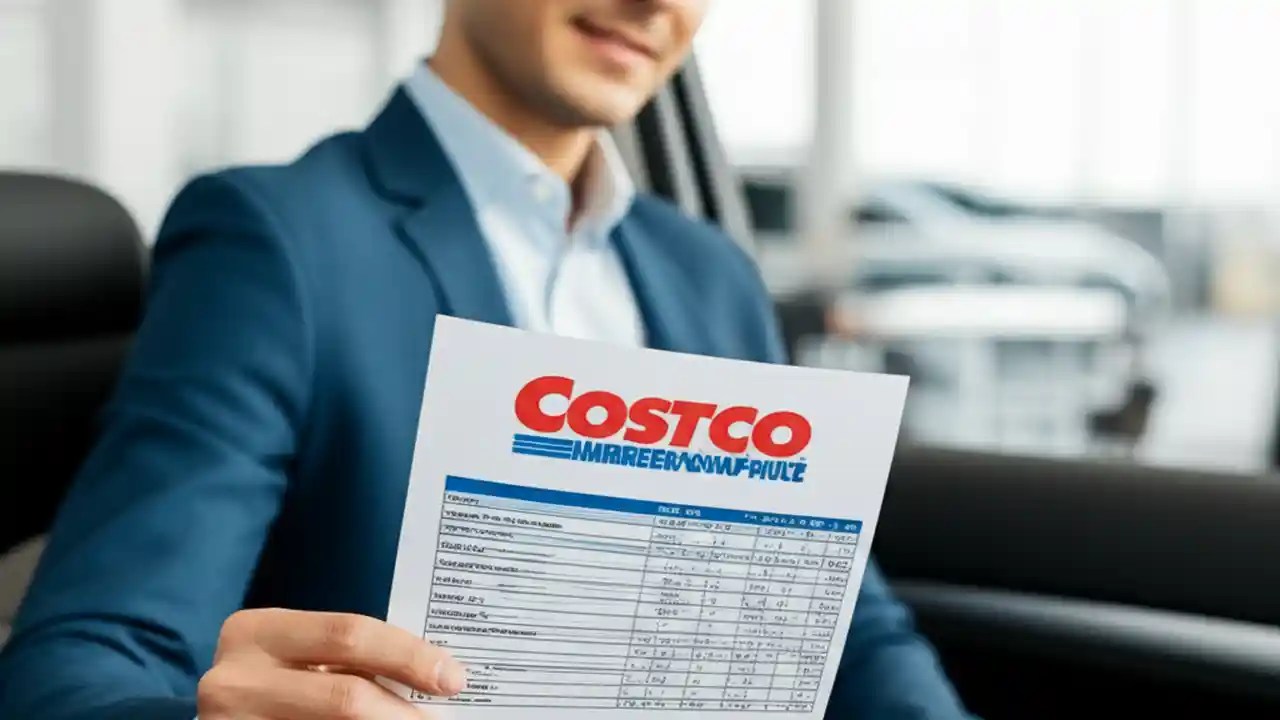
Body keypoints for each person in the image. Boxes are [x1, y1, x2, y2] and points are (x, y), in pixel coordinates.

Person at [0, 1, 974, 718]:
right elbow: (80, 666)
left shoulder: (706, 272)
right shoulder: (282, 243)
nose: (658, 7)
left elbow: (841, 623)